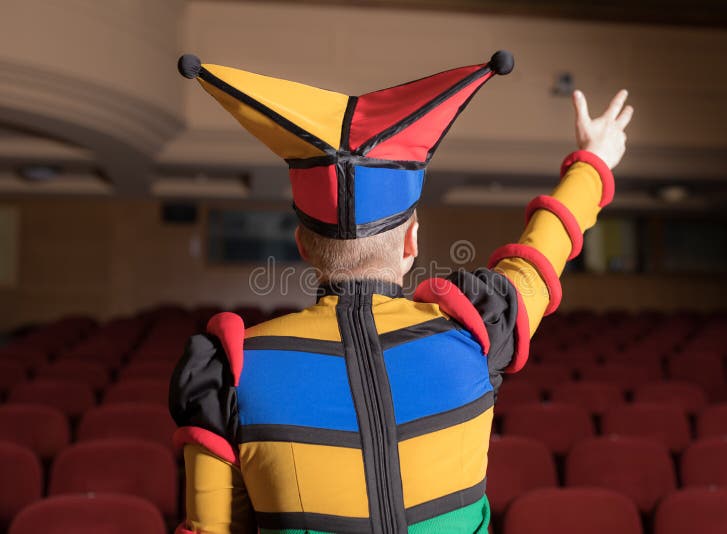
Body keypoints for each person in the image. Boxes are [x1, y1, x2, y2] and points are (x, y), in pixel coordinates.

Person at [169, 51, 632, 534]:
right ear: (413, 240)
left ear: (302, 244)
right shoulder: (476, 334)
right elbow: (540, 256)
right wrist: (593, 161)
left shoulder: (230, 373)